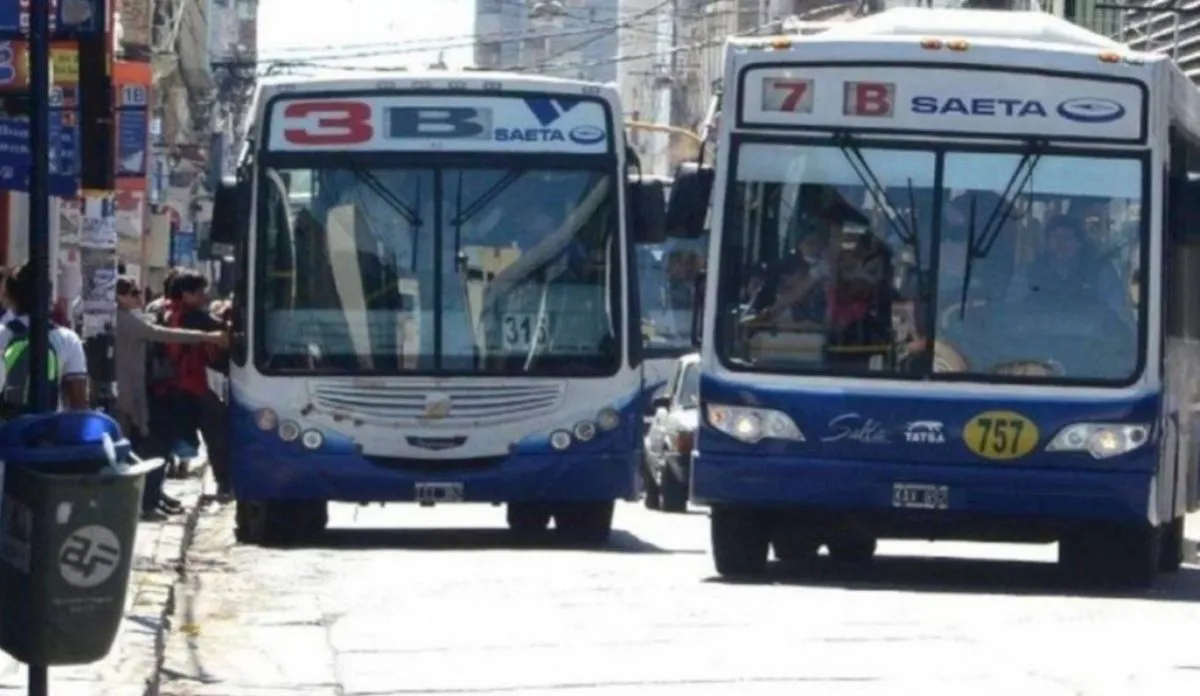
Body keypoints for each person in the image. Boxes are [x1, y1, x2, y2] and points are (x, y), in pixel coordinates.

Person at [114, 276, 226, 520]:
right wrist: (209, 337)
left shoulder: (147, 311)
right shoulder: (126, 320)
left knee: (153, 446)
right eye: (132, 292)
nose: (138, 297)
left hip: (150, 391)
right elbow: (164, 335)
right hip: (149, 393)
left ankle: (152, 496)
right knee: (154, 446)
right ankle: (147, 502)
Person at [166, 271, 232, 497]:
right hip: (193, 384)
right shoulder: (193, 316)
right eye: (200, 292)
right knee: (218, 432)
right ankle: (224, 482)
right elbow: (225, 330)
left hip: (172, 384)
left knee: (175, 432)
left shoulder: (166, 312)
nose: (204, 296)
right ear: (187, 293)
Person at [0, 262, 90, 415]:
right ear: (47, 296)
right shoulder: (68, 339)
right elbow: (78, 403)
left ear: (9, 298)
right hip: (49, 431)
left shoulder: (3, 334)